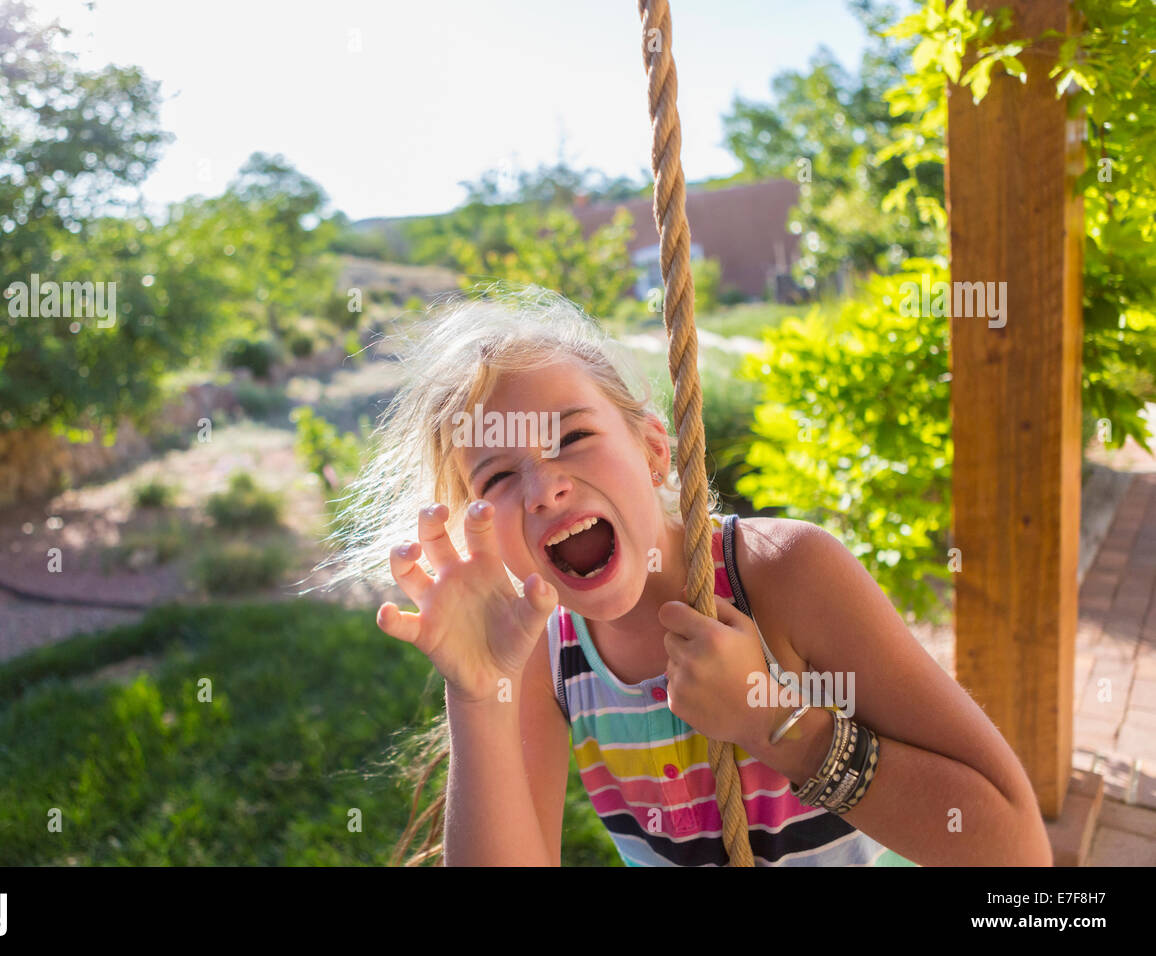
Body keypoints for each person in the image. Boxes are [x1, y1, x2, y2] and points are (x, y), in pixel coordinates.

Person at [318, 286, 1053, 867]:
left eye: (572, 437)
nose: (543, 487)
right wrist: (476, 695)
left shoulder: (783, 574)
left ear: (654, 450)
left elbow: (1014, 849)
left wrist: (775, 726)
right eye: (498, 476)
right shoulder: (543, 657)